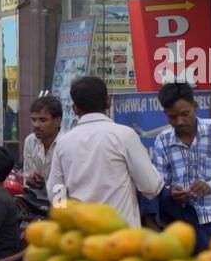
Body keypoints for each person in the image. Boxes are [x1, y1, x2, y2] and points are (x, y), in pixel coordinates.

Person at [47, 77, 163, 228]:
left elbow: (57, 196)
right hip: (121, 239)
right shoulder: (125, 136)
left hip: (84, 238)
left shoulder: (63, 143)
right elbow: (151, 186)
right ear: (108, 101)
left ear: (75, 108)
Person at [151, 83, 211, 252]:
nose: (180, 121)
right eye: (172, 117)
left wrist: (209, 186)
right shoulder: (162, 141)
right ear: (165, 114)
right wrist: (171, 192)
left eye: (185, 114)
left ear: (195, 107)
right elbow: (158, 185)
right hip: (179, 223)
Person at [22, 95, 63, 189]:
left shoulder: (67, 144)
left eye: (43, 120)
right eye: (33, 120)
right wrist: (30, 180)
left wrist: (46, 186)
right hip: (35, 198)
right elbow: (26, 174)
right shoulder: (30, 141)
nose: (36, 125)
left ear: (58, 121)